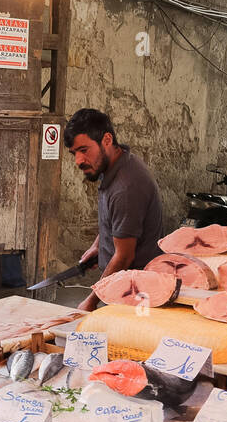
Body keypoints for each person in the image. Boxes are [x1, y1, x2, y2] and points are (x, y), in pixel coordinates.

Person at [64, 108, 165, 312]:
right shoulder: (112, 164)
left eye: (84, 150)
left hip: (135, 292)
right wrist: (98, 246)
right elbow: (114, 221)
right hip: (121, 283)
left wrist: (91, 301)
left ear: (107, 140)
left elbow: (124, 257)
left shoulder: (126, 187)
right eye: (74, 153)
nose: (78, 161)